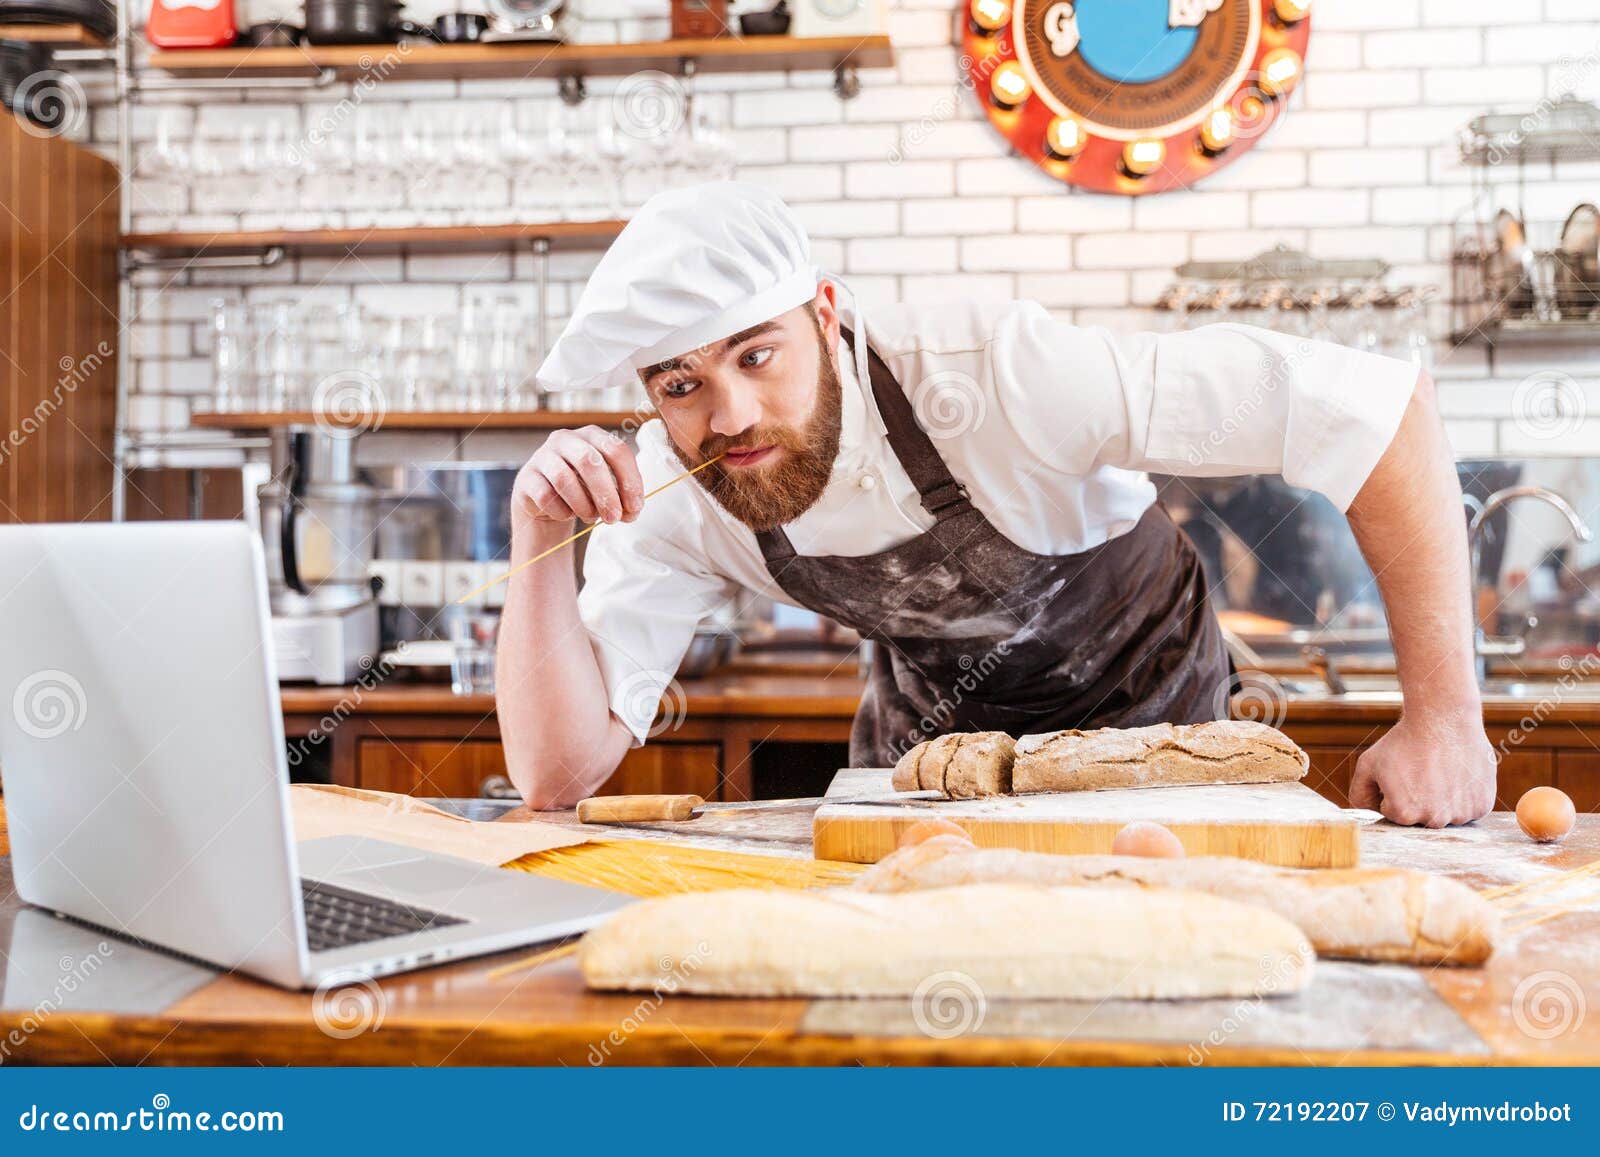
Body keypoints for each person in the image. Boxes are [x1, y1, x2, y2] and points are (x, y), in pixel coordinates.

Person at [496, 182, 1495, 827]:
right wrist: (538, 532)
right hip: (930, 785)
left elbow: (1380, 409)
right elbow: (557, 773)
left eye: (757, 355)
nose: (731, 415)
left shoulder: (1001, 375)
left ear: (826, 314)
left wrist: (1445, 718)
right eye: (680, 386)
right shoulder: (676, 490)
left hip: (1160, 757)